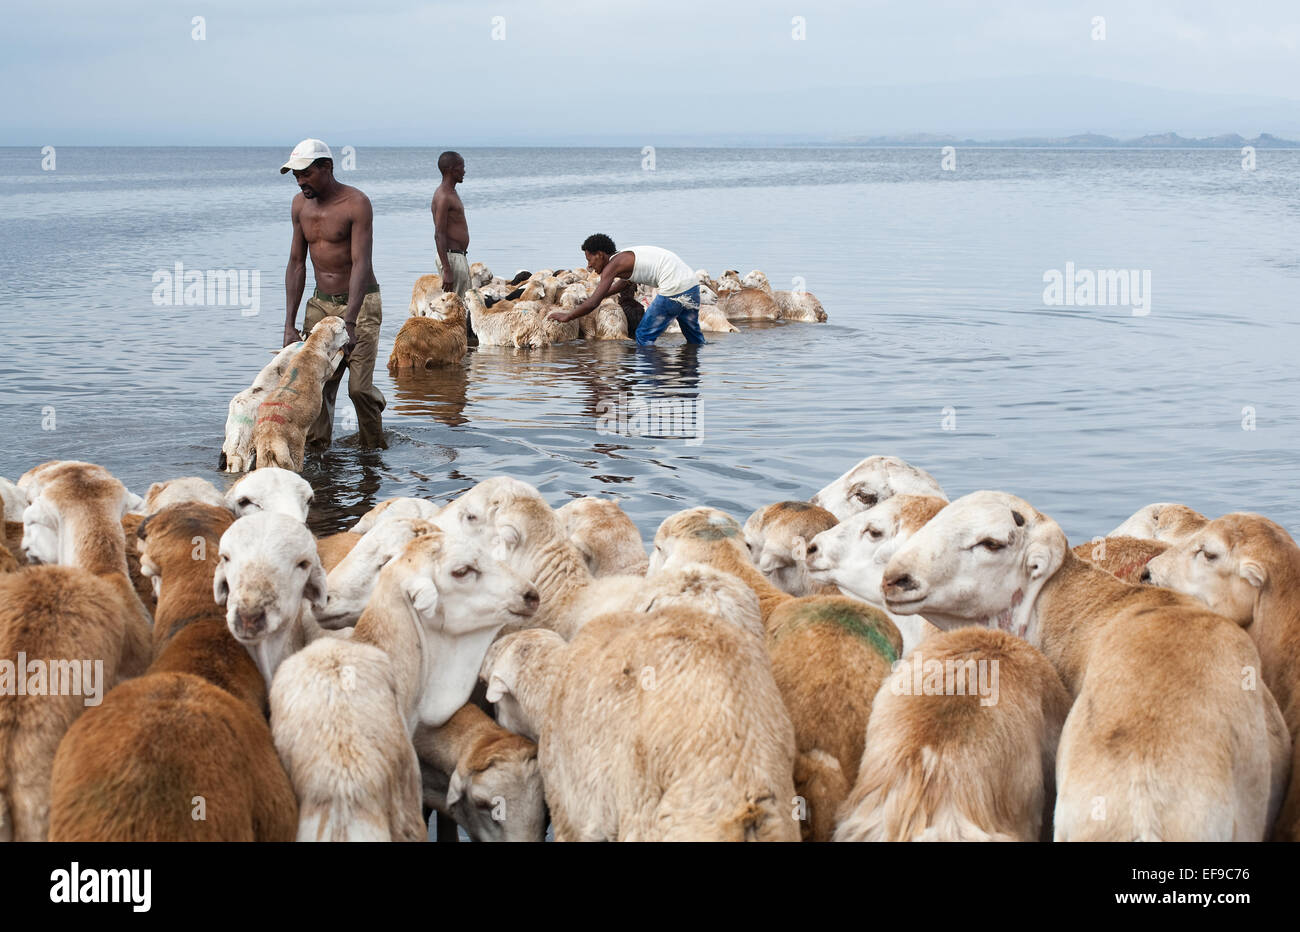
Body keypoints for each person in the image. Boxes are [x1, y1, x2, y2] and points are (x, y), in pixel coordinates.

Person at [280, 138, 387, 450]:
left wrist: (350, 322)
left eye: (306, 173)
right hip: (320, 305)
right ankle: (317, 451)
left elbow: (361, 264)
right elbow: (296, 263)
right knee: (317, 386)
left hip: (361, 303)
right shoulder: (299, 205)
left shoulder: (356, 203)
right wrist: (289, 323)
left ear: (327, 167)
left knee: (358, 389)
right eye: (296, 176)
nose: (300, 181)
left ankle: (373, 450)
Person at [548, 234, 705, 346]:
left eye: (590, 260)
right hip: (691, 286)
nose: (589, 265)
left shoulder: (613, 265)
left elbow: (593, 303)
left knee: (643, 336)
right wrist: (598, 294)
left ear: (600, 255)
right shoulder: (624, 257)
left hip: (673, 290)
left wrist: (568, 316)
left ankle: (655, 382)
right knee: (694, 338)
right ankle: (688, 384)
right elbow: (623, 284)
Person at [432, 150, 475, 344]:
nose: (464, 171)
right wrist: (447, 269)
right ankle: (452, 346)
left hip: (457, 256)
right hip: (451, 257)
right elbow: (439, 233)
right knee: (454, 308)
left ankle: (458, 347)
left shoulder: (451, 192)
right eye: (461, 167)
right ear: (450, 169)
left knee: (461, 305)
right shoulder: (443, 196)